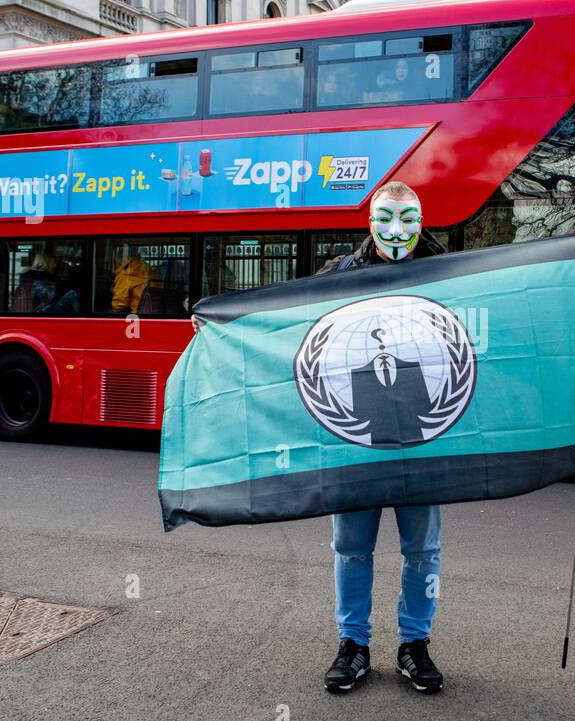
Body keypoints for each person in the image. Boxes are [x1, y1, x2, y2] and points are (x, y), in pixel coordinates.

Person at [189, 181, 449, 694]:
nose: (396, 229)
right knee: (352, 547)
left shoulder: (451, 276)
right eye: (386, 216)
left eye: (408, 217)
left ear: (423, 220)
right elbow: (285, 320)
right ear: (369, 219)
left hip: (425, 439)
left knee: (423, 549)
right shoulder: (337, 275)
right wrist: (222, 323)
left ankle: (414, 646)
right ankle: (353, 644)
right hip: (352, 437)